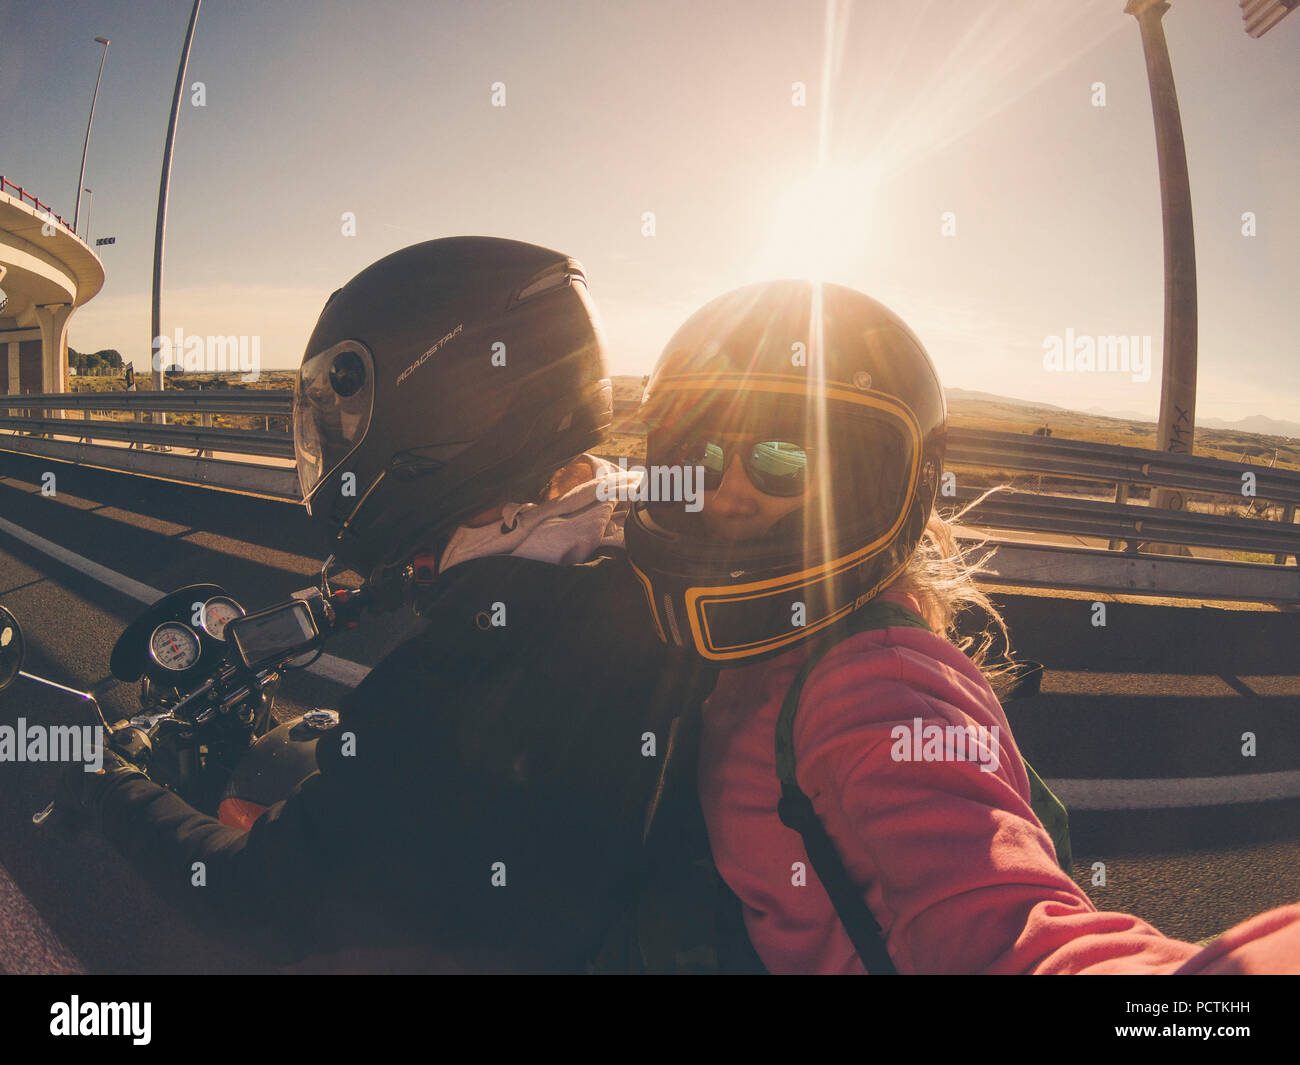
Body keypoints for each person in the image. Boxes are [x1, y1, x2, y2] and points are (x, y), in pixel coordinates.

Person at [59, 237, 707, 972]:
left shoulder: (440, 693)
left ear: (442, 405)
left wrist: (109, 786)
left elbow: (256, 897)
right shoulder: (634, 548)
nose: (333, 442)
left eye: (348, 408)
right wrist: (367, 594)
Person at [623, 278, 1300, 974]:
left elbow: (1007, 935)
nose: (730, 489)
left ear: (860, 479)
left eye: (780, 458)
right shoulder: (763, 639)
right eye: (703, 456)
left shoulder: (872, 684)